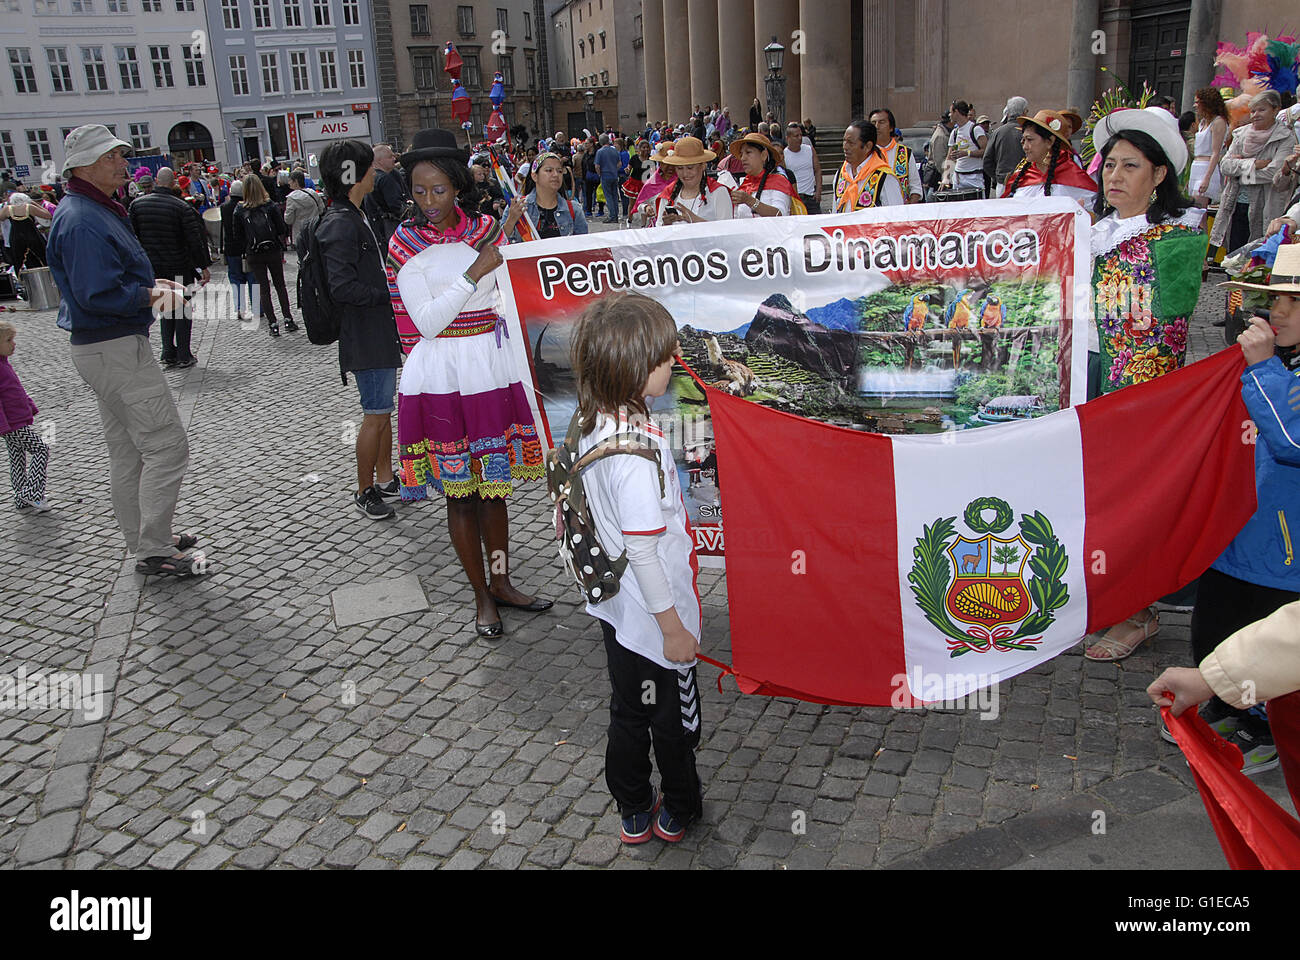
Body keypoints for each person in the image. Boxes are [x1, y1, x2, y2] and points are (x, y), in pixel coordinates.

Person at [385, 128, 545, 639]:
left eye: (440, 190)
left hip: (487, 368)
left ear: (458, 186)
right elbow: (427, 321)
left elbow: (510, 294)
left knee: (493, 491)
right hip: (439, 373)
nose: (429, 202)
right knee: (461, 494)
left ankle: (501, 582)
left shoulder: (487, 230)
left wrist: (512, 248)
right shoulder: (404, 243)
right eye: (418, 191)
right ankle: (480, 597)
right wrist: (476, 271)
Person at [1152, 247, 1300, 773]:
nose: (1275, 313)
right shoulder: (1279, 365)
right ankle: (1220, 698)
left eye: (1291, 302)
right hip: (1236, 534)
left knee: (1266, 636)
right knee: (1215, 626)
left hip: (1286, 556)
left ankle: (1261, 726)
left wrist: (1261, 368)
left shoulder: (1275, 372)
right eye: (1273, 299)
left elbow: (1291, 439)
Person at [569, 292, 704, 844]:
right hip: (656, 615)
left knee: (628, 710)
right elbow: (647, 552)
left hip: (617, 609)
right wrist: (674, 630)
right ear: (631, 370)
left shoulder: (589, 422)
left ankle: (631, 804)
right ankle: (681, 804)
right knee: (673, 722)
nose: (673, 366)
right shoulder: (634, 459)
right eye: (664, 360)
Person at [46, 124, 204, 577]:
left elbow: (104, 283)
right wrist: (150, 296)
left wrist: (154, 286)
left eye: (121, 154)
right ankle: (153, 548)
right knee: (166, 445)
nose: (123, 163)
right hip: (112, 346)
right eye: (113, 156)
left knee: (129, 451)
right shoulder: (81, 217)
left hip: (105, 346)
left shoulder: (89, 208)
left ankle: (145, 538)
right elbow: (97, 292)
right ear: (85, 166)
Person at [1082, 106, 1205, 660]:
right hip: (1082, 374)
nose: (1114, 176)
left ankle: (1138, 612)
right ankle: (1108, 601)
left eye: (1130, 166)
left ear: (1159, 176)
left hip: (1135, 386)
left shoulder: (1176, 238)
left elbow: (1167, 320)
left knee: (1131, 498)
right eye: (1110, 164)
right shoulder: (1091, 231)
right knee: (1093, 497)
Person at [315, 139, 405, 521]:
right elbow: (342, 287)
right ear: (353, 174)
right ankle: (364, 489)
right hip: (365, 333)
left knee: (383, 412)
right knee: (375, 414)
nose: (375, 172)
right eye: (368, 167)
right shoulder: (340, 223)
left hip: (376, 332)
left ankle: (385, 478)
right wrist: (390, 292)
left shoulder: (354, 214)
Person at [128, 167, 211, 369]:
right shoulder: (181, 207)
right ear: (173, 182)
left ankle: (167, 351)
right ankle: (183, 353)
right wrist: (203, 266)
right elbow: (194, 240)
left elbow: (132, 238)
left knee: (165, 308)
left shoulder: (137, 206)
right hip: (179, 264)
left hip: (154, 267)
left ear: (156, 181)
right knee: (182, 308)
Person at [1212, 91, 1298, 251]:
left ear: (1275, 110)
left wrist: (1239, 170)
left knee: (1257, 255)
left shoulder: (1286, 137)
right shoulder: (1241, 134)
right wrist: (1254, 163)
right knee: (1234, 254)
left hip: (1265, 204)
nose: (1256, 115)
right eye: (1253, 111)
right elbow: (1225, 166)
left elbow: (1273, 173)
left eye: (1261, 110)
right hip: (1236, 202)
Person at [232, 174, 295, 337]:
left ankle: (273, 323)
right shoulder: (269, 205)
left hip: (254, 252)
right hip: (272, 249)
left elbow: (237, 236)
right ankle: (288, 318)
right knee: (280, 285)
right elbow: (281, 228)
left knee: (263, 288)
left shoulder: (239, 209)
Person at [0, 320, 49, 511]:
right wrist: (4, 425)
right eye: (8, 340)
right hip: (12, 424)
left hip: (16, 420)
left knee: (17, 457)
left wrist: (29, 407)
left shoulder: (4, 364)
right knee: (41, 449)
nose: (14, 344)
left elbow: (15, 390)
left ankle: (21, 496)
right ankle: (32, 493)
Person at [1000, 109, 1097, 205]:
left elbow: (1091, 210)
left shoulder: (1074, 177)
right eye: (1023, 140)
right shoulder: (1021, 175)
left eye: (1030, 140)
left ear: (1050, 141)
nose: (1025, 147)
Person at [650, 138, 732, 226]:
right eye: (680, 168)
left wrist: (694, 219)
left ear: (703, 165)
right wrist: (666, 225)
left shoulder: (718, 192)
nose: (685, 174)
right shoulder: (669, 193)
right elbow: (659, 231)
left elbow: (727, 231)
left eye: (690, 167)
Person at [834, 119, 905, 212]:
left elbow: (895, 217)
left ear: (867, 146)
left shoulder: (884, 177)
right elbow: (834, 213)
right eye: (844, 141)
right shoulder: (841, 174)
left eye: (851, 143)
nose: (845, 146)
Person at [522, 151, 589, 239]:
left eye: (559, 171)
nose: (555, 175)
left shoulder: (574, 210)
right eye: (549, 170)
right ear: (534, 176)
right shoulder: (519, 207)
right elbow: (501, 244)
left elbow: (583, 246)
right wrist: (511, 221)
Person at [729, 132, 796, 218]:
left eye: (748, 152)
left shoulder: (779, 182)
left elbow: (780, 214)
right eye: (741, 154)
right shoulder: (745, 184)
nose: (742, 158)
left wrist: (750, 201)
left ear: (764, 155)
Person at [218, 179, 255, 322]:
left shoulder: (224, 208)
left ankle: (240, 308)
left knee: (235, 280)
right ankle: (257, 308)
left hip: (231, 249)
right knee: (252, 278)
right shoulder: (247, 207)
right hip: (247, 248)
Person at [1190, 87, 1231, 206]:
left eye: (1198, 102)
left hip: (1206, 168)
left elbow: (1215, 153)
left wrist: (1206, 178)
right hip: (1196, 166)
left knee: (1199, 210)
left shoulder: (1218, 122)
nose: (1195, 105)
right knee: (1193, 209)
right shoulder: (1202, 122)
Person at [870, 108, 922, 204]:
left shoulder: (905, 153)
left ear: (891, 127)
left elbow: (915, 187)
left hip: (900, 213)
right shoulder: (865, 153)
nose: (877, 126)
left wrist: (908, 208)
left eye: (881, 122)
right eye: (873, 123)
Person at [363, 144, 410, 248]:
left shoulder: (373, 177)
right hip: (390, 228)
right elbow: (396, 206)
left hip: (377, 228)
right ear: (380, 161)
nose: (394, 159)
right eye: (390, 157)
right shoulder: (385, 178)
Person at [982, 96, 1029, 192]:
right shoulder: (1028, 132)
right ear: (1024, 112)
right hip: (1024, 183)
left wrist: (998, 177)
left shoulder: (997, 132)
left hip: (1003, 183)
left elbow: (987, 161)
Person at [1, 191, 52, 270]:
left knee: (19, 260)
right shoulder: (29, 207)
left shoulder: (8, 209)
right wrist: (36, 204)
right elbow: (47, 215)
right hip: (32, 236)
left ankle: (21, 278)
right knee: (41, 257)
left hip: (16, 237)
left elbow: (1, 218)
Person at [947, 100, 989, 194]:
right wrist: (945, 177)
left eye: (951, 112)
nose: (949, 115)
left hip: (974, 178)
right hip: (958, 178)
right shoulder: (954, 133)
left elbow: (986, 151)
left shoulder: (975, 129)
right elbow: (949, 156)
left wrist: (967, 153)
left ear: (956, 112)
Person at [784, 121, 823, 213]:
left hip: (811, 197)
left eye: (801, 135)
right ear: (788, 138)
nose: (800, 138)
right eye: (796, 136)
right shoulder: (784, 155)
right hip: (795, 199)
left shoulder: (809, 149)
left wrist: (818, 191)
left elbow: (817, 170)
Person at [284, 170, 325, 250]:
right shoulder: (313, 193)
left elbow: (288, 220)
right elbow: (321, 209)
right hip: (316, 230)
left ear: (295, 181)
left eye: (290, 180)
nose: (289, 182)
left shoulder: (291, 198)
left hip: (300, 234)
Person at [595, 134, 622, 224]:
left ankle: (612, 215)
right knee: (615, 195)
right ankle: (616, 214)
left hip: (605, 175)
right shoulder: (614, 151)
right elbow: (619, 164)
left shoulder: (600, 152)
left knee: (608, 196)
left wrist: (600, 174)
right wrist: (614, 169)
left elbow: (597, 166)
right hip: (614, 175)